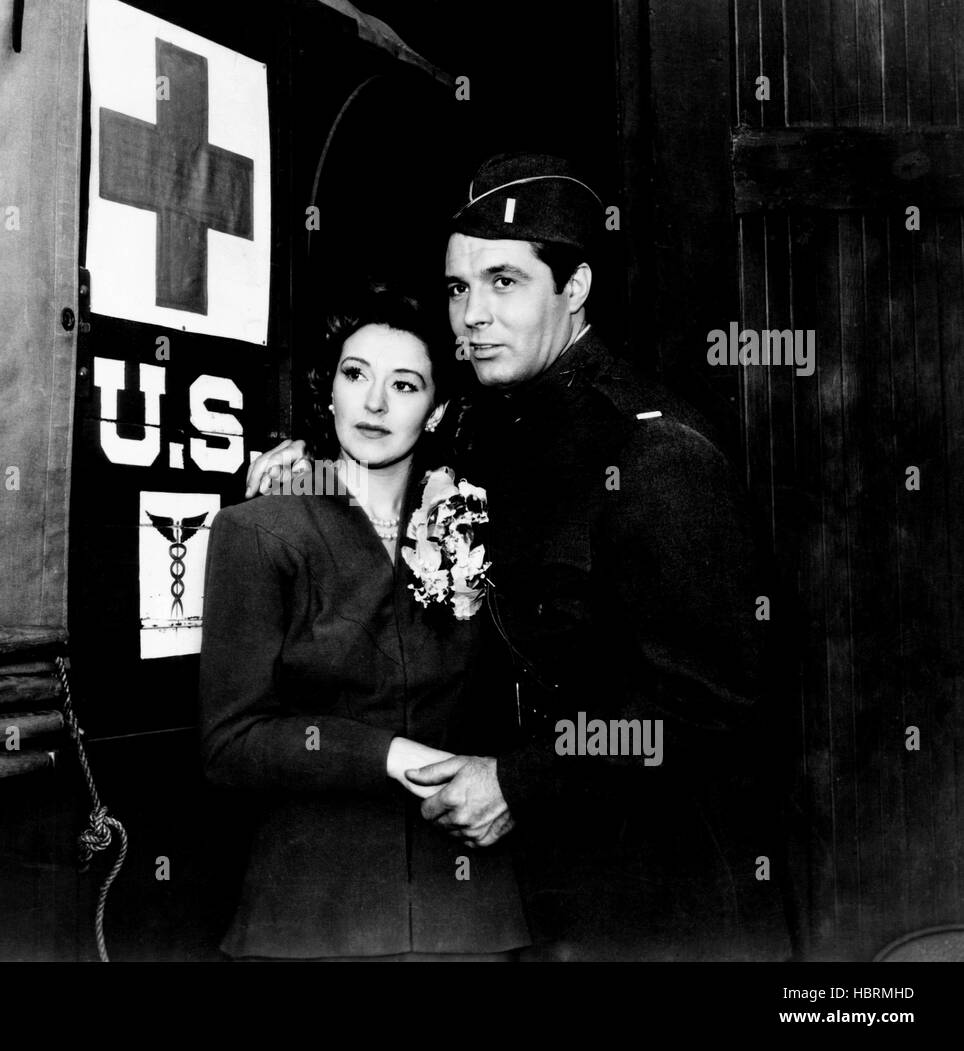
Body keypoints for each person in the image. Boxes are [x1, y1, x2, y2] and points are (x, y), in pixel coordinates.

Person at [245, 154, 794, 961]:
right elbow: (385, 469)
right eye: (459, 288)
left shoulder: (653, 450)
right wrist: (298, 474)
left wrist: (517, 781)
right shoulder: (483, 421)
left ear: (574, 291)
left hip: (666, 898)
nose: (472, 315)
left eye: (505, 282)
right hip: (532, 893)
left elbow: (709, 706)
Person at [199, 284, 530, 960]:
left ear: (436, 411)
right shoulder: (259, 529)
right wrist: (389, 755)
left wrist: (515, 781)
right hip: (309, 914)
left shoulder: (481, 529)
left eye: (404, 385)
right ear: (330, 393)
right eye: (356, 376)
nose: (374, 404)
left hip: (464, 913)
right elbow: (229, 742)